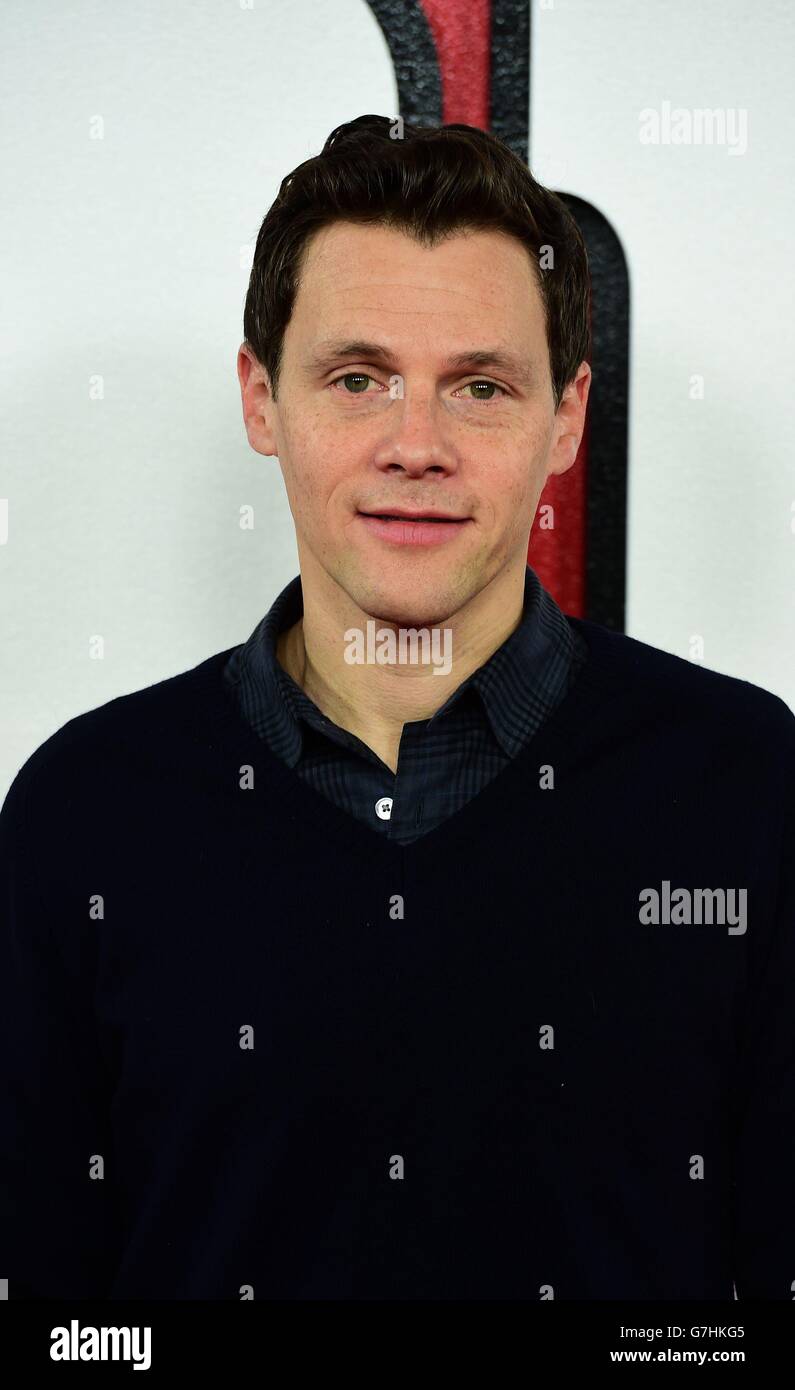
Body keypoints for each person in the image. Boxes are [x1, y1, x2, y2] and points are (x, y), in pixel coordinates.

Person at [1, 115, 792, 1301]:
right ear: (262, 400)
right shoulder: (85, 811)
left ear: (567, 418)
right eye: (358, 378)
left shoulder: (748, 788)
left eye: (479, 386)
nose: (414, 444)